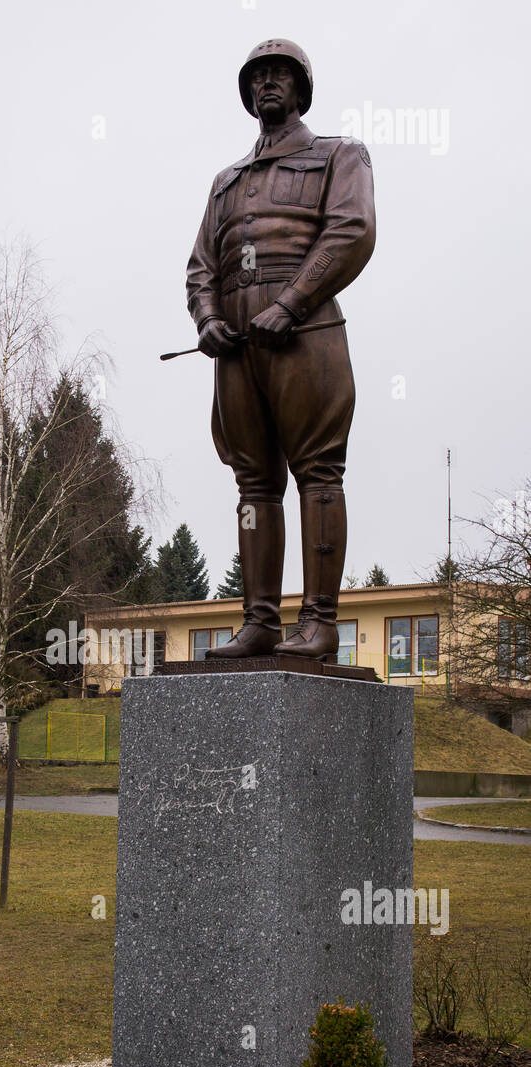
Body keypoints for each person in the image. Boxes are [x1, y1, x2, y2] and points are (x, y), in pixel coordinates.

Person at [186, 38, 375, 660]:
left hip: (306, 331)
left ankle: (319, 621)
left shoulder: (338, 155)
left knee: (319, 471)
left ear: (301, 89)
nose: (268, 84)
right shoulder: (225, 182)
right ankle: (259, 619)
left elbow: (351, 230)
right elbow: (200, 267)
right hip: (238, 345)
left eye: (280, 75)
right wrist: (209, 318)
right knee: (253, 485)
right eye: (258, 77)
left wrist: (290, 302)